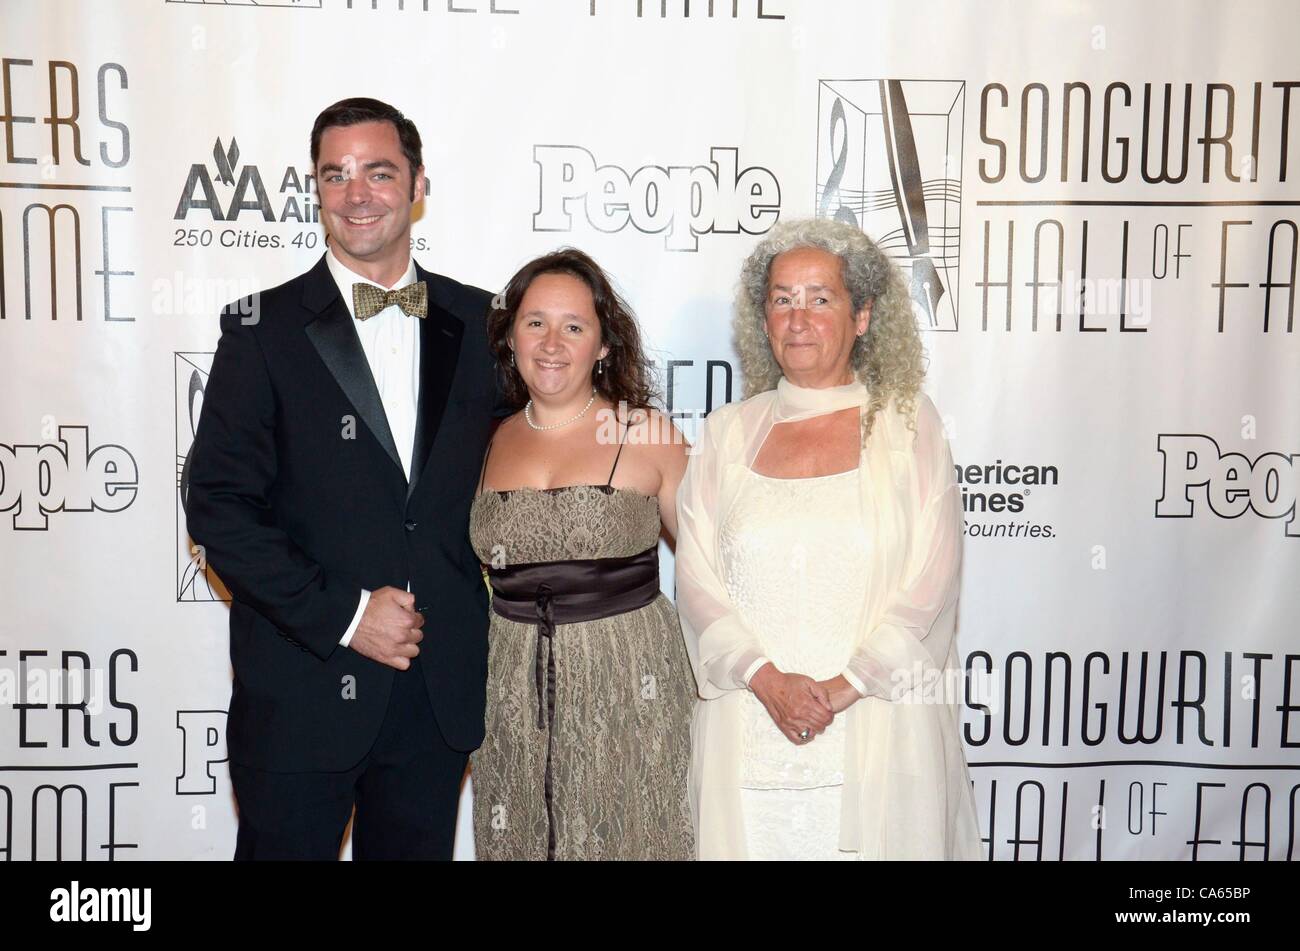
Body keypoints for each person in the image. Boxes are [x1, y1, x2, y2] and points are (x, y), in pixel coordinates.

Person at [185, 97, 505, 860]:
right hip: (304, 683)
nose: (356, 193)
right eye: (336, 175)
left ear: (419, 183)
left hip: (433, 695)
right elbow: (219, 507)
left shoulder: (484, 321)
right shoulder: (260, 329)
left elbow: (545, 443)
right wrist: (347, 614)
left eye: (379, 172)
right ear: (316, 190)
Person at [675, 217, 982, 860]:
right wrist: (766, 681)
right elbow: (698, 581)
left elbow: (932, 581)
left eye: (821, 298)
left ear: (862, 315)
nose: (798, 318)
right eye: (782, 300)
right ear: (763, 321)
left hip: (879, 730)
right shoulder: (728, 432)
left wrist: (841, 689)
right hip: (748, 738)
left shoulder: (908, 424)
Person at [470, 248, 695, 860]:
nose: (551, 342)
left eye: (574, 326)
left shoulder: (647, 434)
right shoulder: (481, 438)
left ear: (602, 345)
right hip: (511, 687)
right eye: (535, 322)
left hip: (632, 683)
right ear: (510, 335)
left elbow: (709, 575)